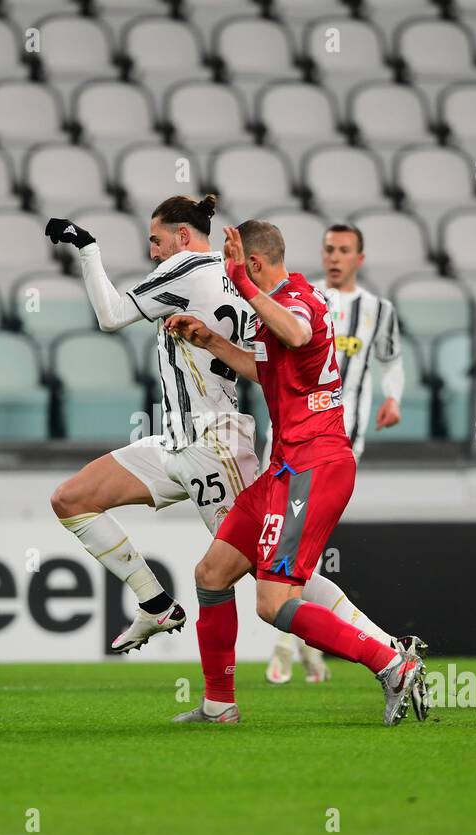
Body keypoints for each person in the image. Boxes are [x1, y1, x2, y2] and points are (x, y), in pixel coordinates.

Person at [44, 197, 407, 657]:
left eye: (156, 241)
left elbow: (111, 315)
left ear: (182, 236)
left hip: (215, 443)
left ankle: (386, 645)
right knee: (72, 499)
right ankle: (155, 602)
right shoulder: (235, 273)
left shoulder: (188, 267)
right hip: (176, 438)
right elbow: (266, 355)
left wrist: (88, 248)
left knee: (267, 573)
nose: (153, 253)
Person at [166, 221, 428, 726]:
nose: (228, 270)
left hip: (315, 464)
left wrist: (240, 283)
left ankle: (392, 664)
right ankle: (219, 704)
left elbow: (299, 331)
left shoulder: (299, 302)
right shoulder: (277, 311)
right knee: (212, 574)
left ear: (254, 264)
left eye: (234, 262)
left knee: (274, 603)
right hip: (285, 466)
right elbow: (267, 367)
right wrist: (211, 342)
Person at [263, 223, 406, 685]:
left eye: (344, 250)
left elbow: (392, 360)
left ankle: (293, 644)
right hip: (290, 438)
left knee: (302, 545)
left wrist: (393, 398)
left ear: (359, 258)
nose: (335, 257)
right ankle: (301, 645)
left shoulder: (377, 310)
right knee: (298, 546)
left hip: (339, 441)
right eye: (328, 249)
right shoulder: (302, 301)